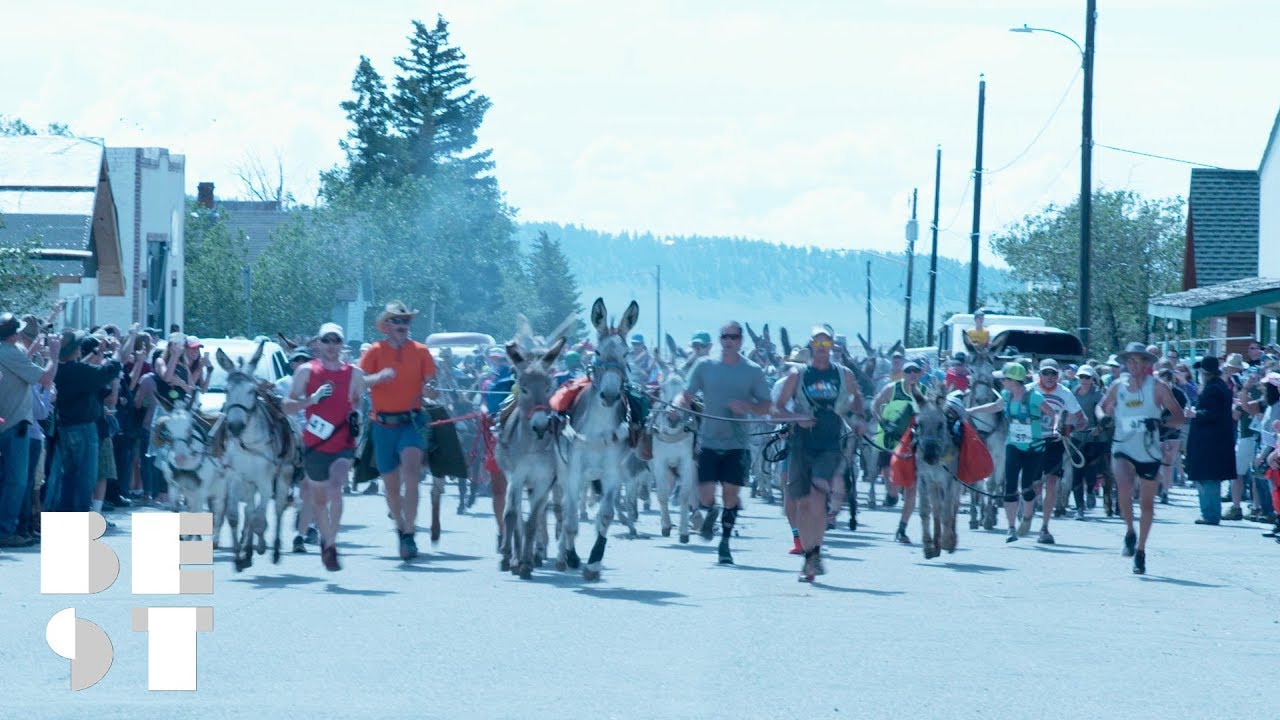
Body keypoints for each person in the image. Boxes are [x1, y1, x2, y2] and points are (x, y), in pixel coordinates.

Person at [673, 321, 773, 565]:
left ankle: (725, 544)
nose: (729, 341)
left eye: (734, 337)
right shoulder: (705, 366)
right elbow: (685, 395)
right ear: (719, 340)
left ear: (740, 341)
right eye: (724, 337)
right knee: (705, 495)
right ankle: (712, 511)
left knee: (731, 494)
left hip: (737, 444)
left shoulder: (752, 371)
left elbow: (766, 406)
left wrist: (747, 407)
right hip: (708, 440)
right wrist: (676, 406)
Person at [773, 325, 862, 581]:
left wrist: (859, 417)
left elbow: (857, 399)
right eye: (818, 343)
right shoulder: (797, 375)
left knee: (817, 493)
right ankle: (810, 555)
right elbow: (777, 409)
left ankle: (816, 552)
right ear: (810, 345)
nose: (822, 349)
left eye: (827, 344)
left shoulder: (843, 375)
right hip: (801, 443)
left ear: (832, 346)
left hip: (830, 443)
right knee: (801, 503)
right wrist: (797, 418)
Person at [358, 302, 438, 561]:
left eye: (406, 321)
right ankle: (401, 529)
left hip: (411, 422)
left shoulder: (421, 351)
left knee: (412, 473)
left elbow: (432, 385)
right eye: (397, 321)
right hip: (382, 425)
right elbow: (357, 383)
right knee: (391, 487)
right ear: (386, 326)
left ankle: (410, 533)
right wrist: (377, 377)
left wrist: (430, 391)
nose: (403, 325)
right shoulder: (374, 352)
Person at [1098, 342, 1185, 575]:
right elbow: (1102, 407)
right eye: (1130, 361)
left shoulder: (1158, 387)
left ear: (1147, 363)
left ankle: (1141, 550)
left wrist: (1159, 422)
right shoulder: (1118, 386)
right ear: (1124, 363)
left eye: (1139, 360)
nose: (1134, 365)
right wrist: (1103, 417)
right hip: (1122, 446)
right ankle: (1129, 529)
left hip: (1148, 450)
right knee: (1124, 489)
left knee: (1147, 504)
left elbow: (1180, 417)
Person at [286, 323, 362, 572]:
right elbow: (287, 405)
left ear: (342, 344)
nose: (331, 346)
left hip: (343, 443)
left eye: (336, 341)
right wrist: (313, 399)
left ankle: (330, 543)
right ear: (318, 343)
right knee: (319, 500)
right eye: (327, 341)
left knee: (336, 486)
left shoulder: (355, 373)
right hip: (316, 443)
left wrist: (356, 418)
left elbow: (357, 404)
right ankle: (324, 540)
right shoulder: (306, 371)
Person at [970, 361, 1053, 542]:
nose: (1001, 382)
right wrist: (970, 410)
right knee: (1010, 487)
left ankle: (1027, 517)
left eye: (1005, 379)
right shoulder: (1006, 396)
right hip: (1013, 445)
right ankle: (1011, 527)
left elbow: (1052, 413)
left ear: (1014, 380)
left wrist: (1056, 428)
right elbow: (993, 407)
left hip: (1034, 448)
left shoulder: (1035, 398)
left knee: (1027, 487)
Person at [0, 313, 60, 547]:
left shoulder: (8, 353)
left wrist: (36, 346)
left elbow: (22, 360)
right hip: (15, 426)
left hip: (7, 423)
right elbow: (45, 379)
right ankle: (6, 530)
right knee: (16, 481)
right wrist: (53, 356)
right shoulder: (10, 353)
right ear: (14, 334)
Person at [49, 330, 123, 514]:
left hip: (65, 427)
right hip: (83, 429)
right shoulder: (78, 371)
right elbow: (108, 371)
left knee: (69, 476)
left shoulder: (60, 370)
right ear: (75, 351)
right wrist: (116, 353)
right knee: (85, 478)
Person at [1028, 358, 1085, 544]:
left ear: (1058, 375)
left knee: (1052, 483)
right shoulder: (1029, 390)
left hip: (1055, 442)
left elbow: (1082, 419)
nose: (1050, 377)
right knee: (1034, 485)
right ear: (1039, 374)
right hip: (1032, 442)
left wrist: (1068, 430)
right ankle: (1027, 517)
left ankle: (1044, 527)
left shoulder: (1065, 393)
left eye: (1054, 373)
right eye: (1046, 373)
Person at [872, 359, 927, 543]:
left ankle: (901, 529)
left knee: (911, 488)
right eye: (909, 371)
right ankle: (892, 494)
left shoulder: (925, 392)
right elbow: (875, 404)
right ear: (903, 373)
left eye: (916, 371)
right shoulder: (892, 389)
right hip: (889, 441)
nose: (912, 374)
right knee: (891, 483)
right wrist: (882, 422)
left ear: (920, 374)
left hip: (913, 444)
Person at [1186, 355, 1235, 526]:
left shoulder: (1214, 389)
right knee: (1206, 479)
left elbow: (1213, 414)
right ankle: (1209, 513)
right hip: (1211, 441)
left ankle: (1211, 514)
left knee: (1208, 479)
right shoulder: (1217, 386)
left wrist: (1195, 413)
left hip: (1210, 443)